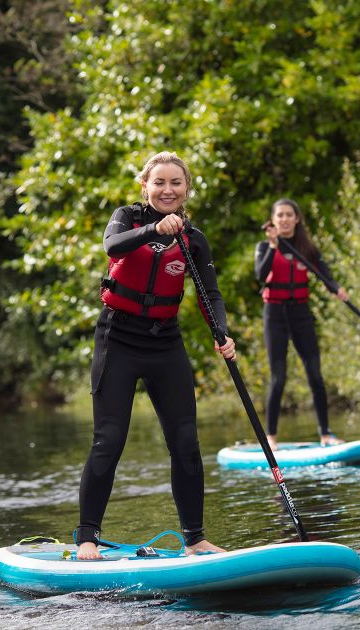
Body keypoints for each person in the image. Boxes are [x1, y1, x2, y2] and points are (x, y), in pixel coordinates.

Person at [77, 151, 235, 560]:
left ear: (187, 190)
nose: (168, 190)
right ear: (144, 186)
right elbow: (112, 245)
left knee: (185, 441)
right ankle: (88, 538)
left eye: (176, 183)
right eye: (159, 182)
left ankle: (195, 538)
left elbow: (210, 294)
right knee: (109, 439)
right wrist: (152, 230)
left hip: (165, 342)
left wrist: (222, 332)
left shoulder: (194, 239)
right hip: (118, 337)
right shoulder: (126, 218)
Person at [255, 199, 349, 450]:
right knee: (279, 377)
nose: (284, 219)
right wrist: (275, 247)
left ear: (297, 219)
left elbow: (324, 273)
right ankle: (271, 437)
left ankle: (325, 433)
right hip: (274, 314)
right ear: (273, 220)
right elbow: (261, 276)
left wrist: (336, 289)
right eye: (280, 215)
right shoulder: (264, 247)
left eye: (289, 215)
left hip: (301, 314)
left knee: (315, 374)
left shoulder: (307, 248)